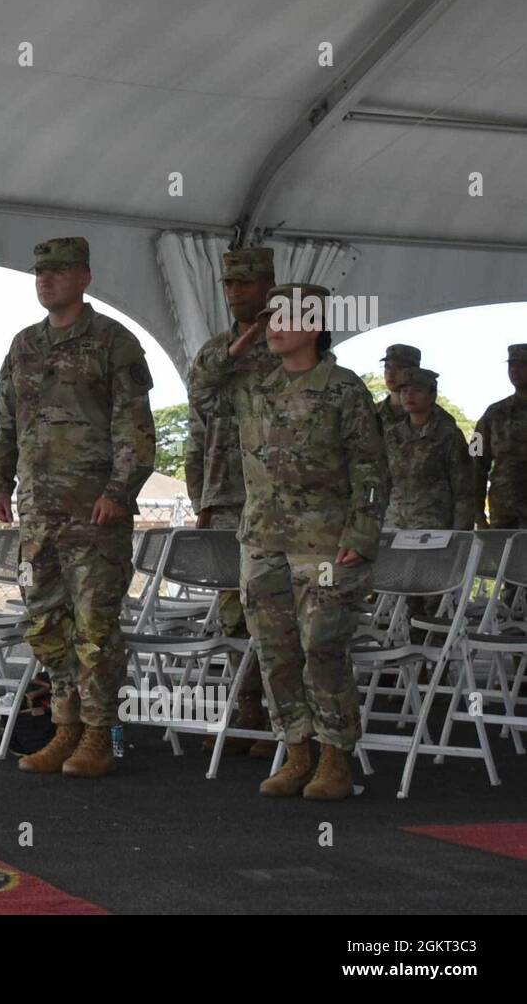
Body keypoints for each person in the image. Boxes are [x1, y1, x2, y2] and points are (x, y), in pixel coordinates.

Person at [191, 283, 386, 801]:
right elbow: (201, 389)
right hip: (262, 542)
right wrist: (235, 344)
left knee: (321, 647)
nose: (273, 326)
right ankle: (296, 750)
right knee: (275, 652)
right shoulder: (253, 386)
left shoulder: (343, 388)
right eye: (269, 318)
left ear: (316, 326)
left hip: (324, 545)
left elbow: (371, 470)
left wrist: (362, 535)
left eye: (284, 317)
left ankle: (334, 757)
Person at [0, 236, 155, 778]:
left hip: (94, 513)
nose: (45, 279)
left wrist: (118, 491)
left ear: (84, 277)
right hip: (39, 512)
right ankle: (65, 726)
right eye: (39, 271)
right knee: (44, 622)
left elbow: (135, 429)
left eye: (57, 271)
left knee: (96, 628)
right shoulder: (23, 345)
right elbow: (7, 421)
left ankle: (99, 733)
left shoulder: (113, 342)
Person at [185, 246, 279, 757]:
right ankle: (247, 710)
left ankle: (274, 714)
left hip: (275, 498)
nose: (234, 292)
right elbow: (200, 396)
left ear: (268, 284)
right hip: (225, 496)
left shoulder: (291, 345)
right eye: (228, 285)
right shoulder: (219, 349)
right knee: (231, 612)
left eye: (244, 283)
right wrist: (199, 496)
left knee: (269, 606)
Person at [383, 367, 476, 531]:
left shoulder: (448, 435)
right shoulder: (392, 435)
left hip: (434, 530)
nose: (409, 395)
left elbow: (464, 491)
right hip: (394, 528)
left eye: (417, 390)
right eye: (404, 390)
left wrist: (460, 535)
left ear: (432, 395)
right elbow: (383, 484)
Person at [473, 344, 527, 529]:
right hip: (505, 515)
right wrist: (479, 515)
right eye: (511, 365)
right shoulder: (494, 414)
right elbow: (475, 464)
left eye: (522, 365)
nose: (515, 370)